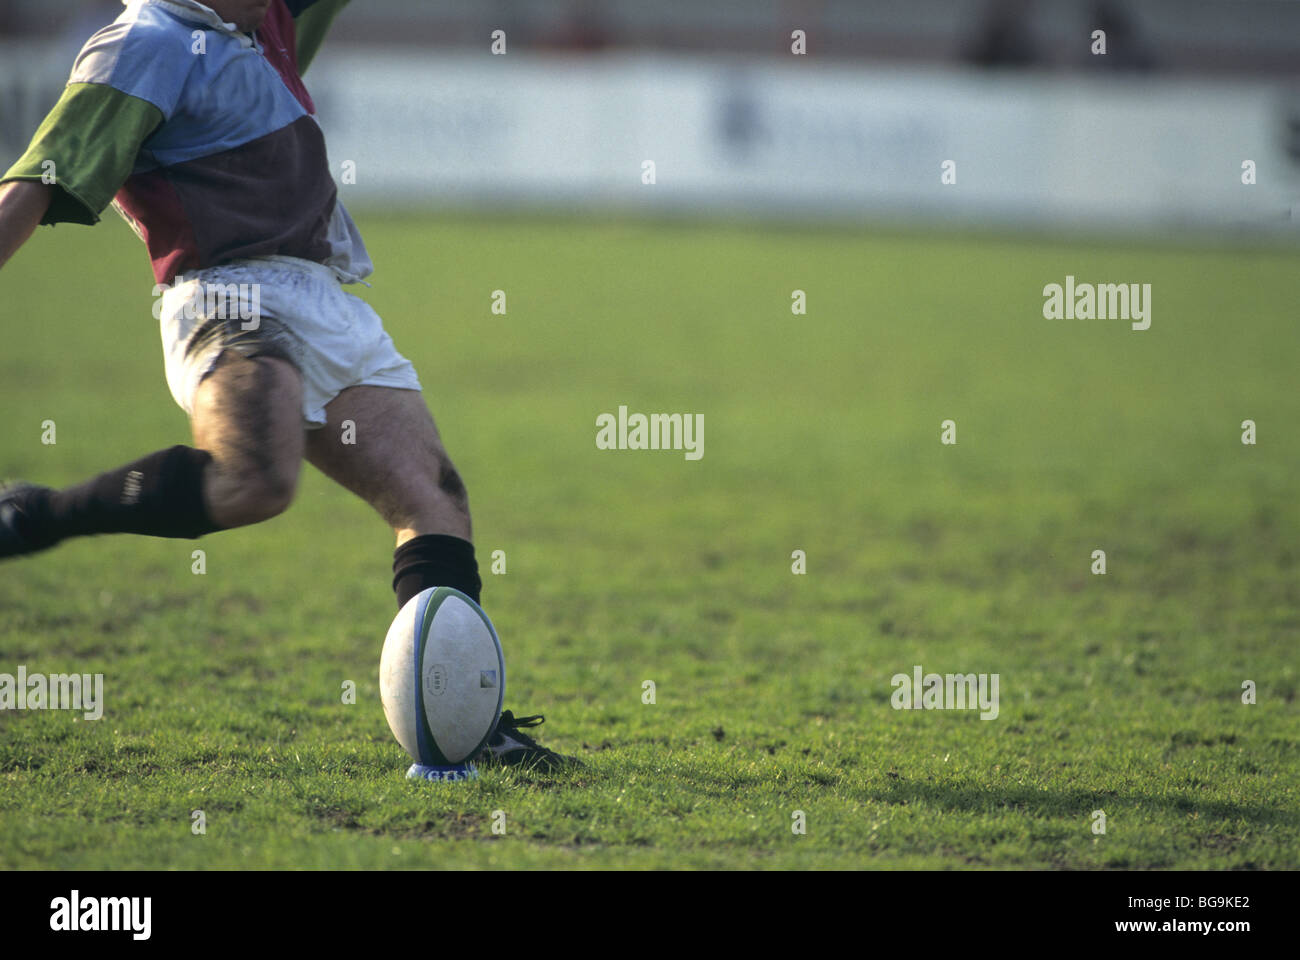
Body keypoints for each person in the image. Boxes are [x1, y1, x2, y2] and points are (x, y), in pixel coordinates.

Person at [0, 0, 572, 771]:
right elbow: (32, 185)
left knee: (434, 496)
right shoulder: (143, 46)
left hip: (320, 296)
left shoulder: (266, 16)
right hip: (224, 297)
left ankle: (462, 728)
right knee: (257, 481)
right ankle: (40, 514)